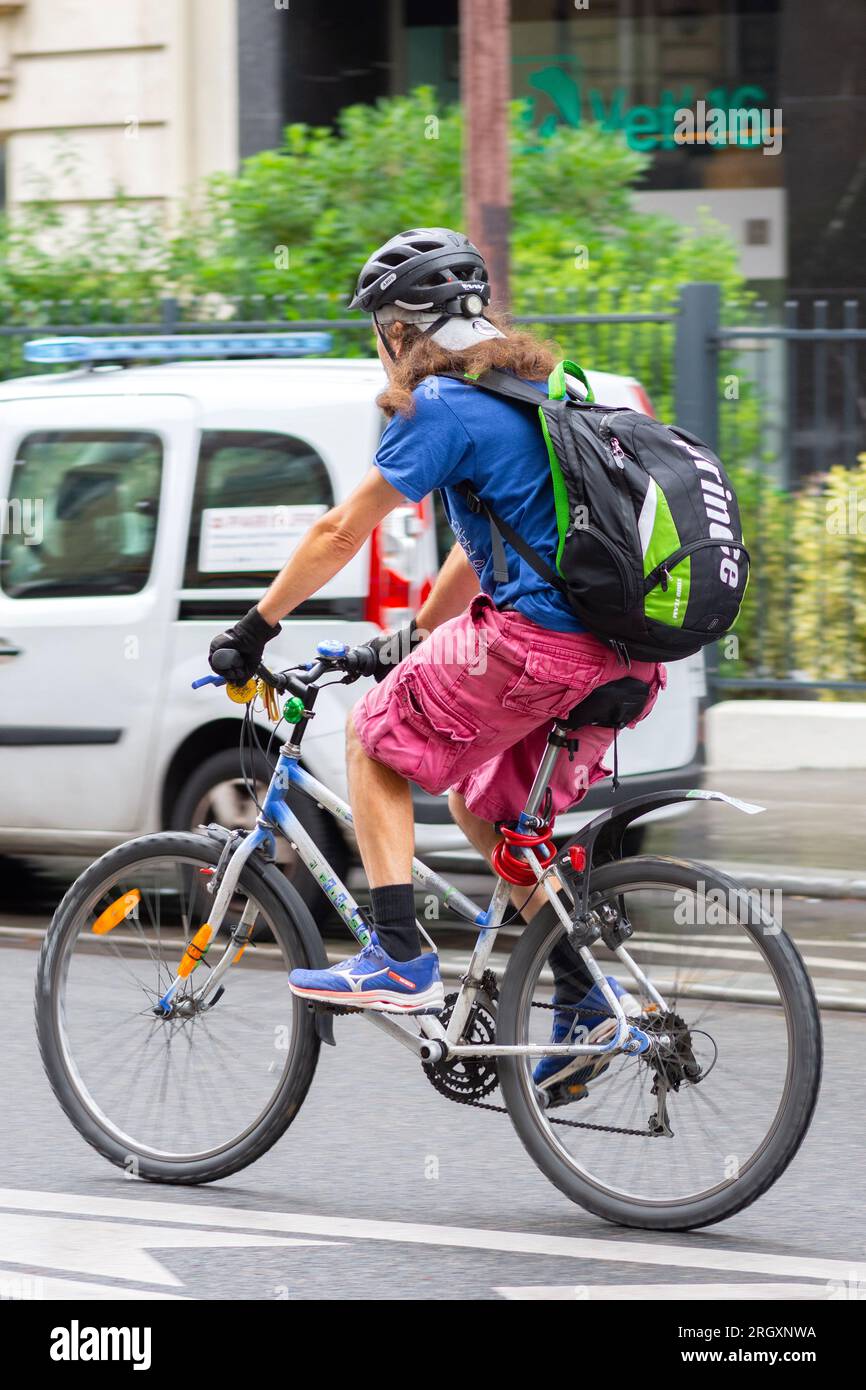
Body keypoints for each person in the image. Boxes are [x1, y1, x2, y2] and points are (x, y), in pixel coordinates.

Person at [208, 228, 663, 1096]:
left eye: (379, 325)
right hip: (625, 657)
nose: (379, 344)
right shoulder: (542, 387)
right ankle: (587, 998)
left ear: (402, 327)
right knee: (482, 803)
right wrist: (417, 635)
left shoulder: (445, 406)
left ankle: (398, 957)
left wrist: (256, 627)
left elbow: (342, 530)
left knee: (374, 740)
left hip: (535, 646)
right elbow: (501, 538)